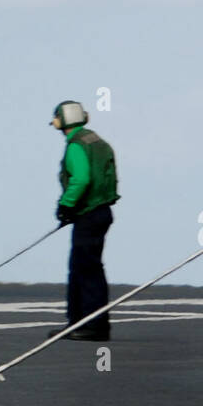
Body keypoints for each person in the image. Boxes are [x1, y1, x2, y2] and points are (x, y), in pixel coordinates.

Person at [50, 100, 118, 341]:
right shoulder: (98, 141)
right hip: (100, 211)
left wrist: (66, 205)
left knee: (86, 269)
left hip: (88, 212)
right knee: (84, 267)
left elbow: (81, 179)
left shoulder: (76, 145)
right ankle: (79, 322)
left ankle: (93, 325)